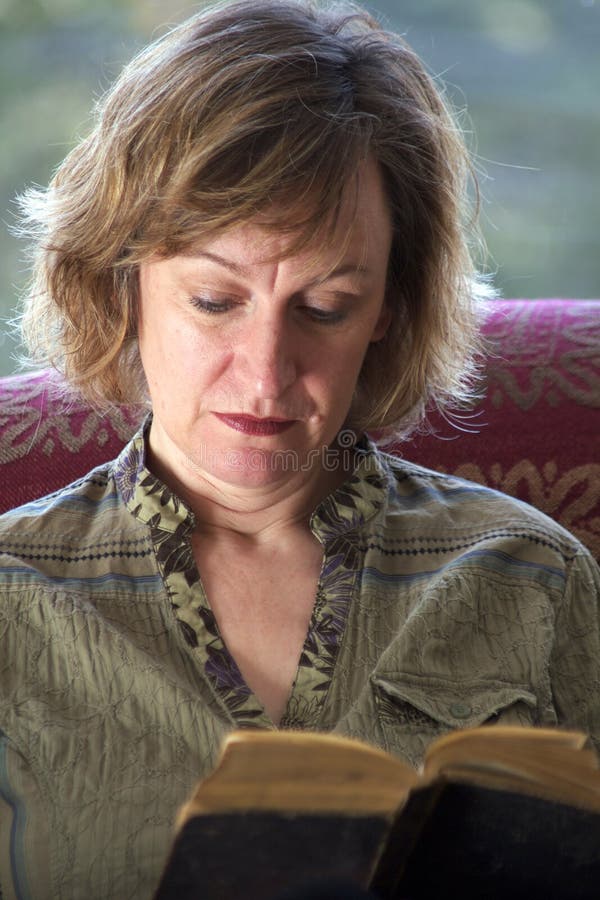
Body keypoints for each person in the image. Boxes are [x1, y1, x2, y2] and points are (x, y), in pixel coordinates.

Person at [1, 1, 599, 897]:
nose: (268, 374)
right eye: (213, 300)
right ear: (121, 282)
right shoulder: (13, 598)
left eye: (326, 307)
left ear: (389, 309)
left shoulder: (526, 574)